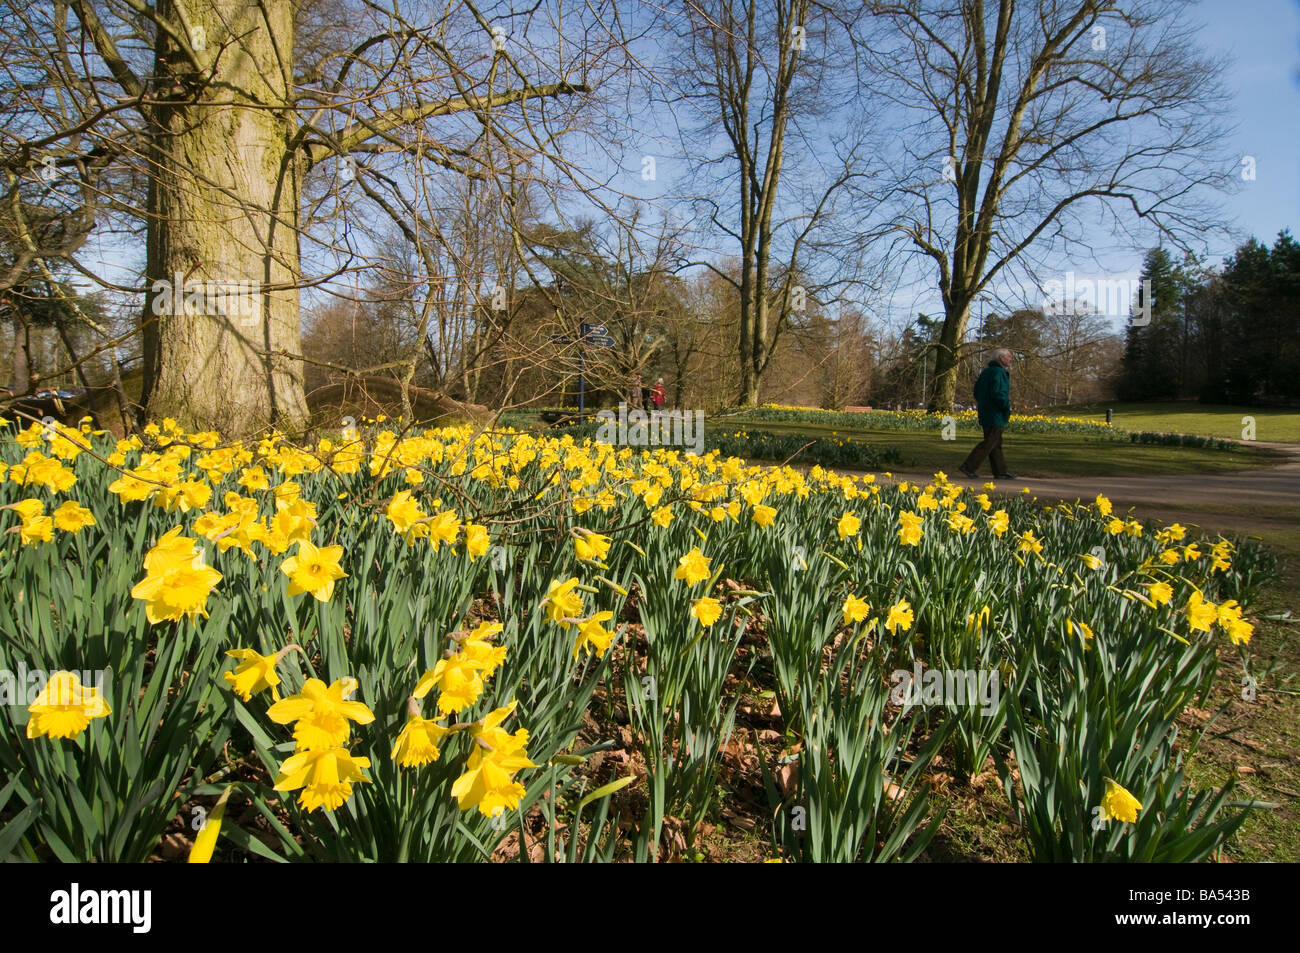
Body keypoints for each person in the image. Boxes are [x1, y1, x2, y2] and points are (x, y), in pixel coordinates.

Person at [959, 348, 1016, 479]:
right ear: (1001, 358)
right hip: (995, 413)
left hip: (986, 411)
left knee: (996, 443)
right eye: (1008, 357)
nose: (1010, 359)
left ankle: (1000, 471)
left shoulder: (986, 372)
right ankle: (968, 466)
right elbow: (998, 393)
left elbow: (977, 391)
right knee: (990, 442)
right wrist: (1006, 407)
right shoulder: (998, 373)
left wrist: (983, 404)